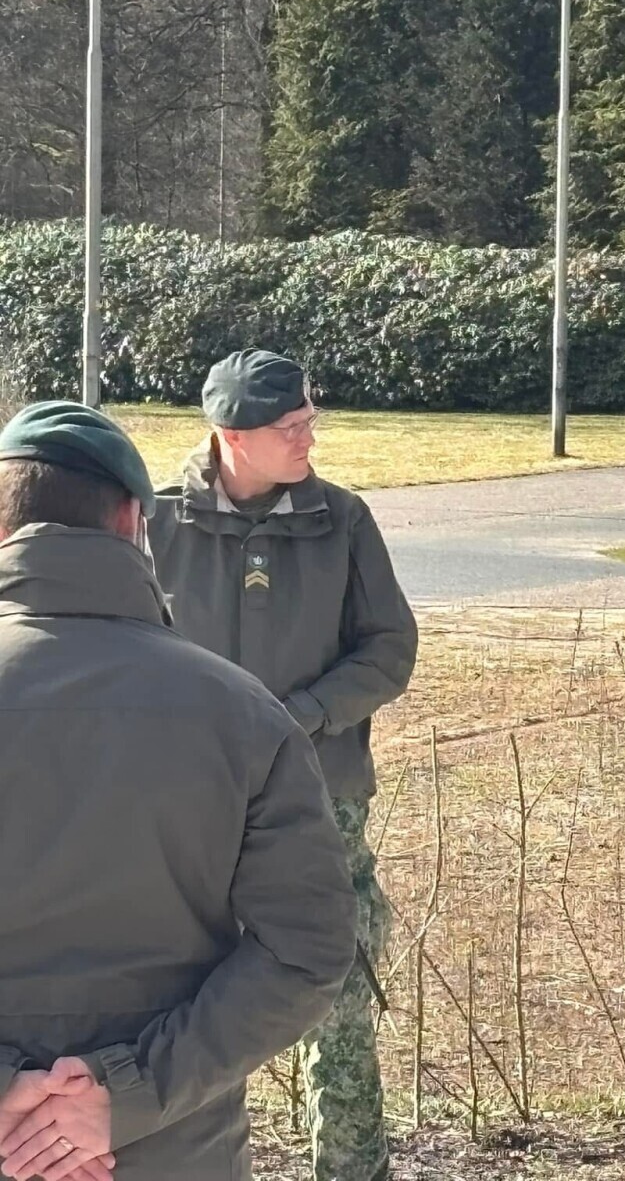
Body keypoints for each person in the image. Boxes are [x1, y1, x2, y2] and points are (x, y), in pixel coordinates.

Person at [0, 400, 355, 1181]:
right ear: (134, 522)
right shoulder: (242, 712)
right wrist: (119, 1098)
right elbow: (309, 948)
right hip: (172, 1150)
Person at [148, 351, 417, 1181]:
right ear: (232, 436)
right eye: (289, 426)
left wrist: (302, 719)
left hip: (318, 792)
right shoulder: (154, 525)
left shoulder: (343, 520)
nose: (310, 436)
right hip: (190, 800)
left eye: (310, 418)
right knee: (181, 994)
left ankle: (349, 1168)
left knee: (334, 989)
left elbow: (389, 649)